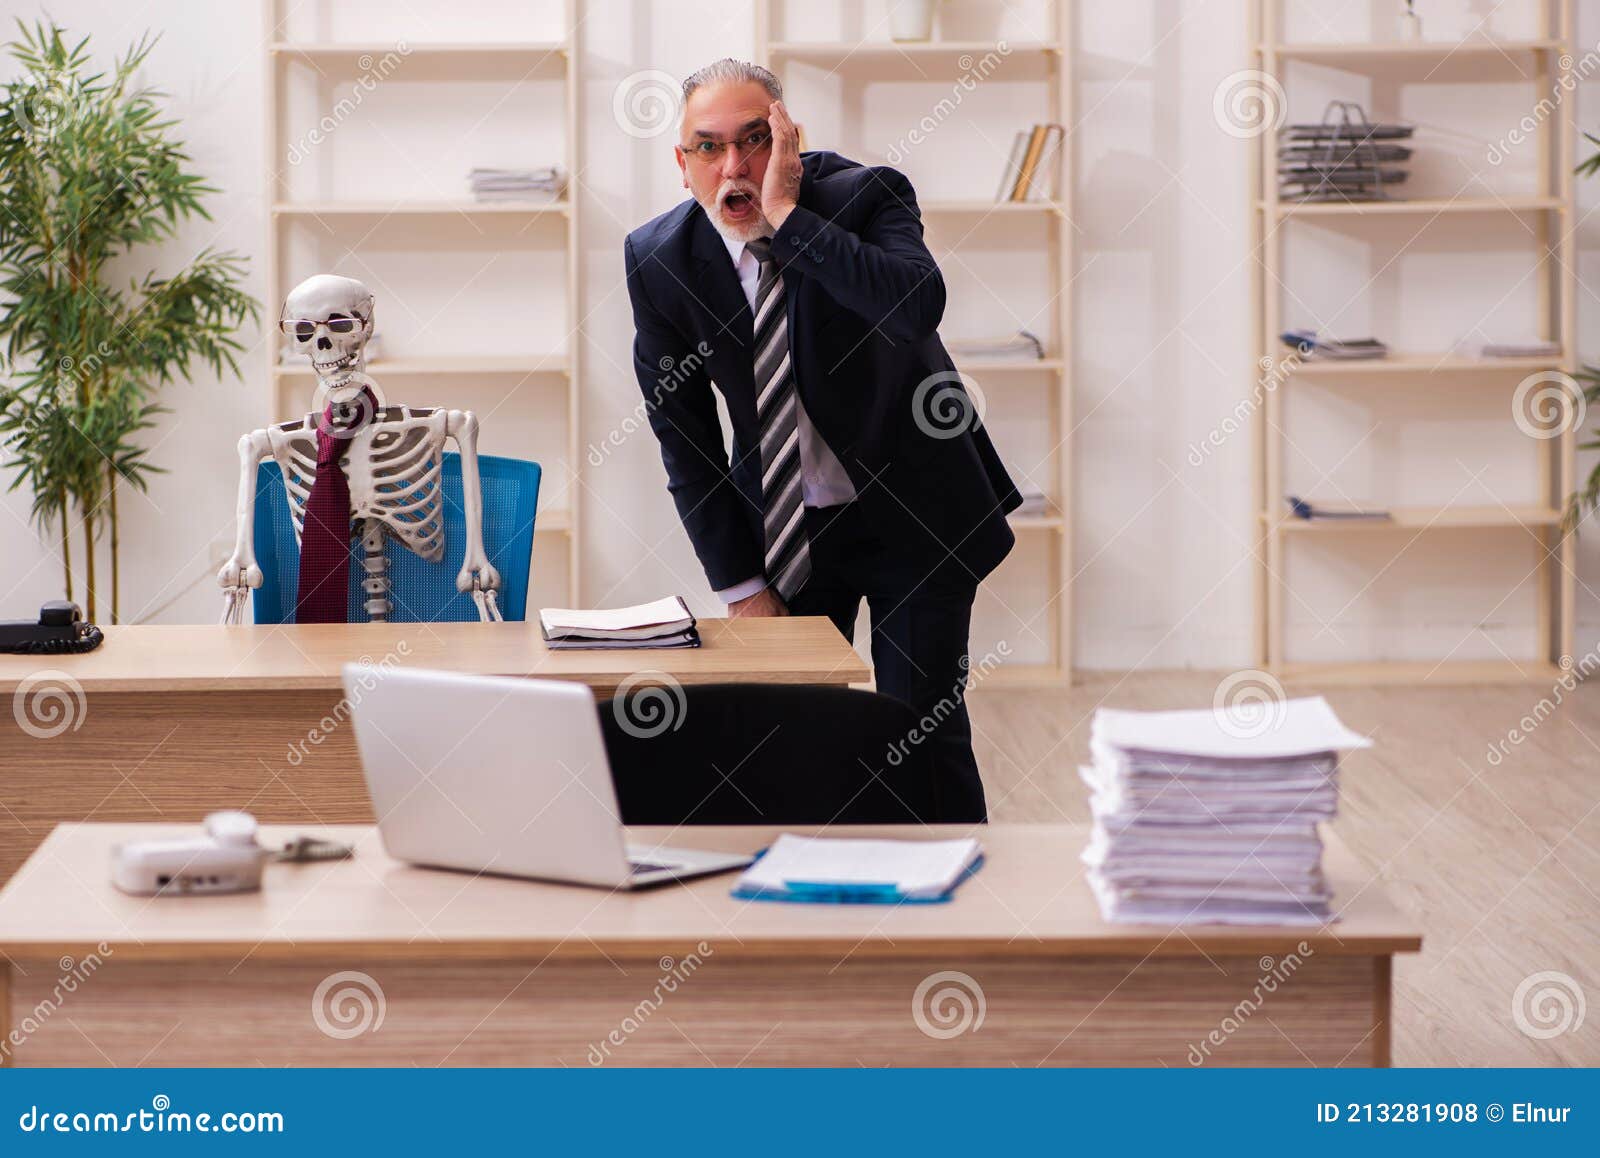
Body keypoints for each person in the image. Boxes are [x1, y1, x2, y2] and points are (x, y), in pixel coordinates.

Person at [622, 59, 1020, 820]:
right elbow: (686, 437)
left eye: (754, 140)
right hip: (788, 528)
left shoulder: (866, 197)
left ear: (789, 139)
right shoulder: (660, 259)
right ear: (683, 164)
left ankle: (963, 912)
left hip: (917, 514)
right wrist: (741, 587)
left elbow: (915, 306)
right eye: (708, 147)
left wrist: (790, 219)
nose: (734, 166)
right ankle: (809, 914)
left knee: (921, 728)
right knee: (787, 735)